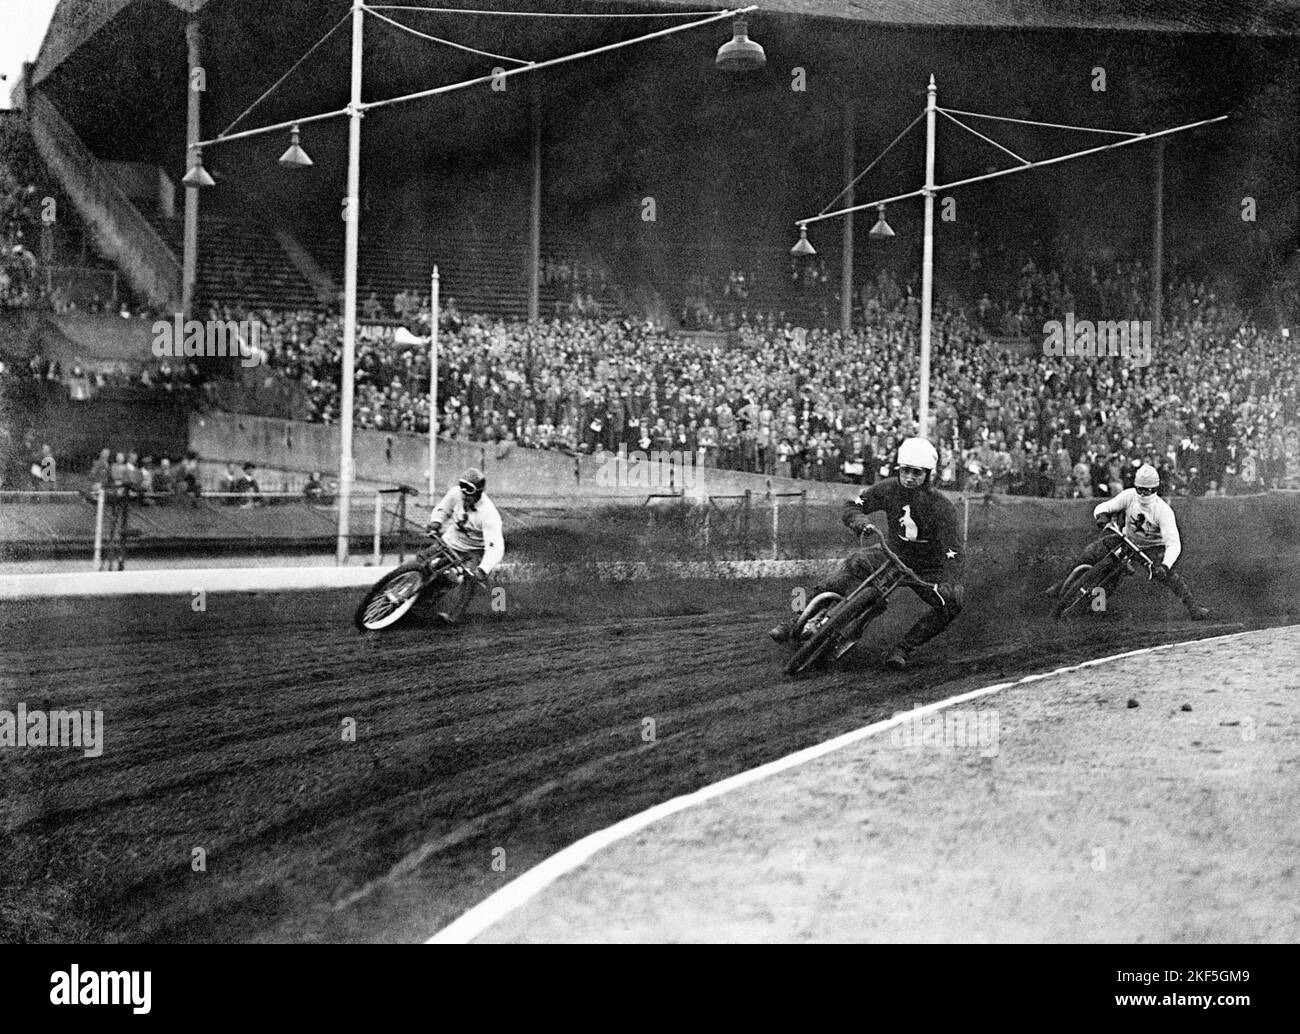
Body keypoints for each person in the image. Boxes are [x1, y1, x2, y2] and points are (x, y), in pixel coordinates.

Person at [769, 436, 965, 670]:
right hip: (892, 553)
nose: (910, 477)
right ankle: (796, 619)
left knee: (952, 603)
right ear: (898, 469)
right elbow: (853, 505)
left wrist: (947, 581)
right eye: (905, 471)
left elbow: (954, 551)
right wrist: (860, 522)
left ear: (928, 475)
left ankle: (903, 649)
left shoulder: (942, 507)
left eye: (917, 473)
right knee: (853, 563)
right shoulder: (888, 488)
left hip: (927, 568)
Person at [1045, 463, 1210, 619]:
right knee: (1091, 552)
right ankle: (1064, 585)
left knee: (1169, 577)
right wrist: (1102, 516)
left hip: (1151, 548)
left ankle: (1193, 607)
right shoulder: (1129, 496)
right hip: (1126, 539)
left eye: (1148, 490)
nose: (1143, 494)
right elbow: (1105, 507)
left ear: (1155, 489)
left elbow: (1173, 543)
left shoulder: (1163, 511)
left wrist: (1165, 566)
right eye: (1140, 489)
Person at [424, 467, 504, 623]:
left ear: (479, 493)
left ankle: (455, 615)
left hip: (473, 550)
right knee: (423, 559)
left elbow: (495, 548)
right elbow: (443, 508)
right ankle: (408, 588)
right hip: (450, 541)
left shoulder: (489, 515)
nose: (464, 497)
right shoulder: (456, 493)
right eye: (462, 490)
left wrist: (483, 569)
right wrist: (436, 522)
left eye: (470, 494)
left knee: (468, 580)